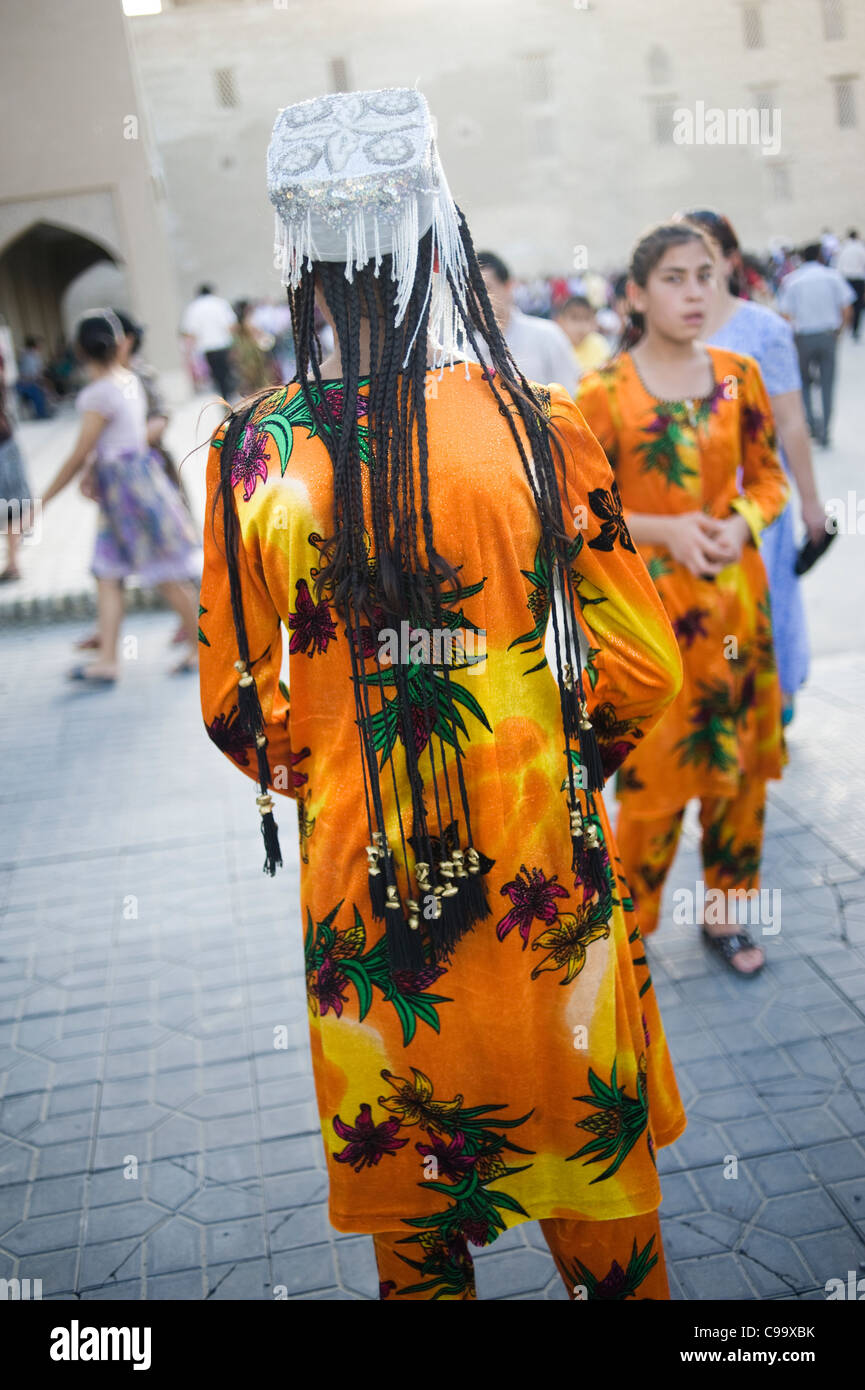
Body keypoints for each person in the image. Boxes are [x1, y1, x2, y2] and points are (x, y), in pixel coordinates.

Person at [199, 87, 687, 1301]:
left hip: (371, 906)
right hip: (545, 885)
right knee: (609, 1240)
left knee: (420, 1254)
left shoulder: (248, 451)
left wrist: (345, 765)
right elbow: (644, 665)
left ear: (297, 267)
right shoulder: (539, 422)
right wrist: (551, 757)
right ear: (436, 240)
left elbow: (233, 705)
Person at [577, 223, 790, 977]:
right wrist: (663, 528)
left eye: (705, 274)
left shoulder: (737, 374)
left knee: (741, 781)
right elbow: (574, 516)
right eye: (673, 278)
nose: (694, 291)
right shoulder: (601, 394)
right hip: (653, 628)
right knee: (653, 785)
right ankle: (625, 935)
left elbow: (769, 479)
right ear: (635, 294)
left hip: (739, 613)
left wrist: (742, 522)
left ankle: (726, 915)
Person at [677, 209, 826, 725]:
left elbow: (790, 423)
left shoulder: (763, 329)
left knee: (770, 599)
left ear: (728, 259)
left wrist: (810, 502)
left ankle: (775, 701)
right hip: (693, 505)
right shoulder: (670, 330)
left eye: (704, 254)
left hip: (759, 501)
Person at [41, 310, 202, 683]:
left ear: (79, 351)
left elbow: (81, 451)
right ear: (119, 344)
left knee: (162, 572)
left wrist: (44, 499)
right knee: (109, 573)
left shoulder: (97, 395)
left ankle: (199, 647)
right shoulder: (128, 380)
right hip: (135, 485)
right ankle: (110, 659)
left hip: (126, 492)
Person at [777, 243, 854, 446]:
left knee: (804, 383)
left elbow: (785, 314)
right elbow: (847, 307)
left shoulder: (792, 280)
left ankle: (811, 423)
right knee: (828, 383)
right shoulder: (832, 276)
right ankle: (826, 430)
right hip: (828, 334)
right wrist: (840, 331)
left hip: (803, 337)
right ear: (821, 256)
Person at [476, 251, 579, 394]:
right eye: (470, 290)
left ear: (508, 286)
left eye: (485, 289)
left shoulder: (547, 336)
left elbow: (571, 395)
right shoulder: (468, 350)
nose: (477, 299)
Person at [0, 344, 33, 583]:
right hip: (6, 444)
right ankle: (13, 561)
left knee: (10, 506)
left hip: (3, 447)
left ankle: (13, 563)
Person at [180, 284, 237, 400]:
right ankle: (228, 395)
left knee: (216, 376)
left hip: (207, 348)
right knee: (226, 373)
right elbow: (231, 325)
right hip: (223, 345)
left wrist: (190, 352)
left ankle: (223, 397)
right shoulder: (221, 304)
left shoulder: (194, 307)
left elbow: (190, 331)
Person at [230, 300, 279, 396]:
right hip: (253, 354)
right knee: (260, 378)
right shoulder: (248, 324)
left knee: (249, 379)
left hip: (243, 355)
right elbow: (260, 336)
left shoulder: (235, 327)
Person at [554, 294, 611, 373]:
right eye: (574, 318)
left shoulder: (599, 343)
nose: (581, 326)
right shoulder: (554, 345)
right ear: (560, 321)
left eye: (586, 318)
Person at [835, 229, 865, 341]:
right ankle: (855, 329)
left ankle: (847, 327)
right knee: (857, 305)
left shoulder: (843, 248)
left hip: (845, 279)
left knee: (846, 304)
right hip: (858, 279)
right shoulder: (860, 247)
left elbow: (838, 265)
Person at [16, 336, 53, 419]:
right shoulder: (29, 356)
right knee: (37, 390)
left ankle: (44, 410)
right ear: (34, 346)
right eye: (39, 345)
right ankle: (41, 413)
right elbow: (31, 373)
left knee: (44, 387)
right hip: (26, 383)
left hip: (31, 381)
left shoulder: (31, 355)